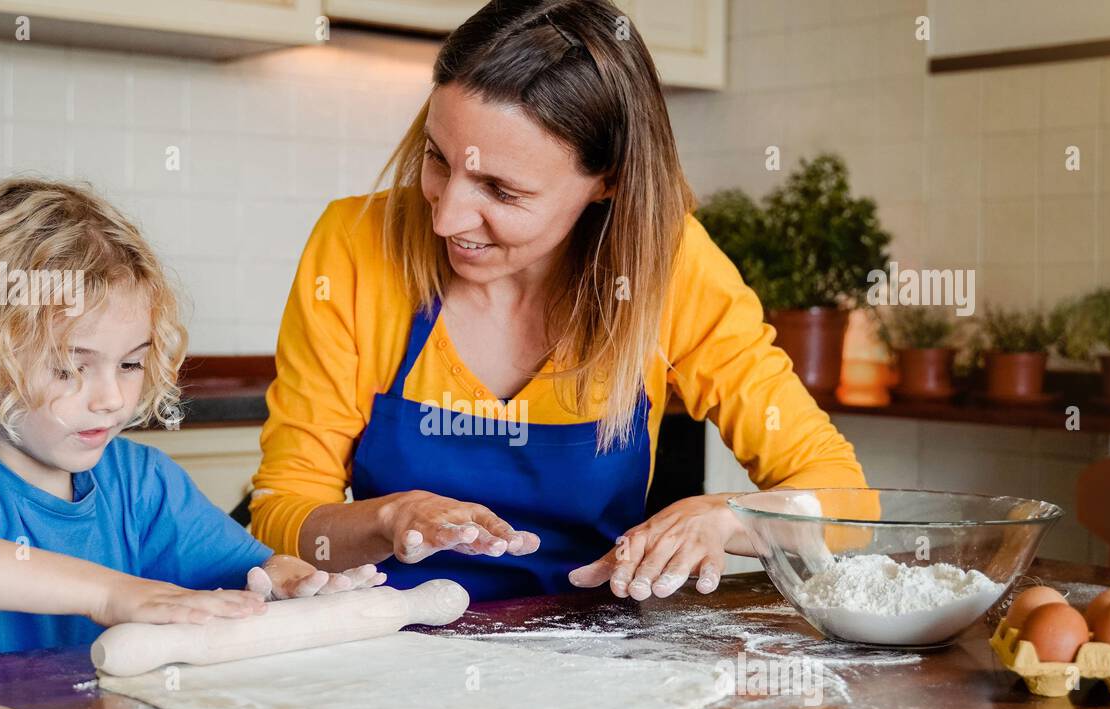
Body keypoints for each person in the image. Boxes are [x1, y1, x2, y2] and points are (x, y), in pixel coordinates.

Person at [250, 0, 865, 604]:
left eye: (500, 189)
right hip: (387, 637)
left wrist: (730, 518)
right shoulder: (356, 245)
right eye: (438, 158)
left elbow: (847, 501)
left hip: (590, 657)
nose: (447, 218)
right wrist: (390, 518)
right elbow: (282, 513)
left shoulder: (668, 269)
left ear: (609, 181)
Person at [0, 178, 384, 654]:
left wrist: (290, 583)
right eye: (68, 368)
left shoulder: (143, 484)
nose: (110, 399)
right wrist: (107, 594)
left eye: (129, 364)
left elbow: (253, 571)